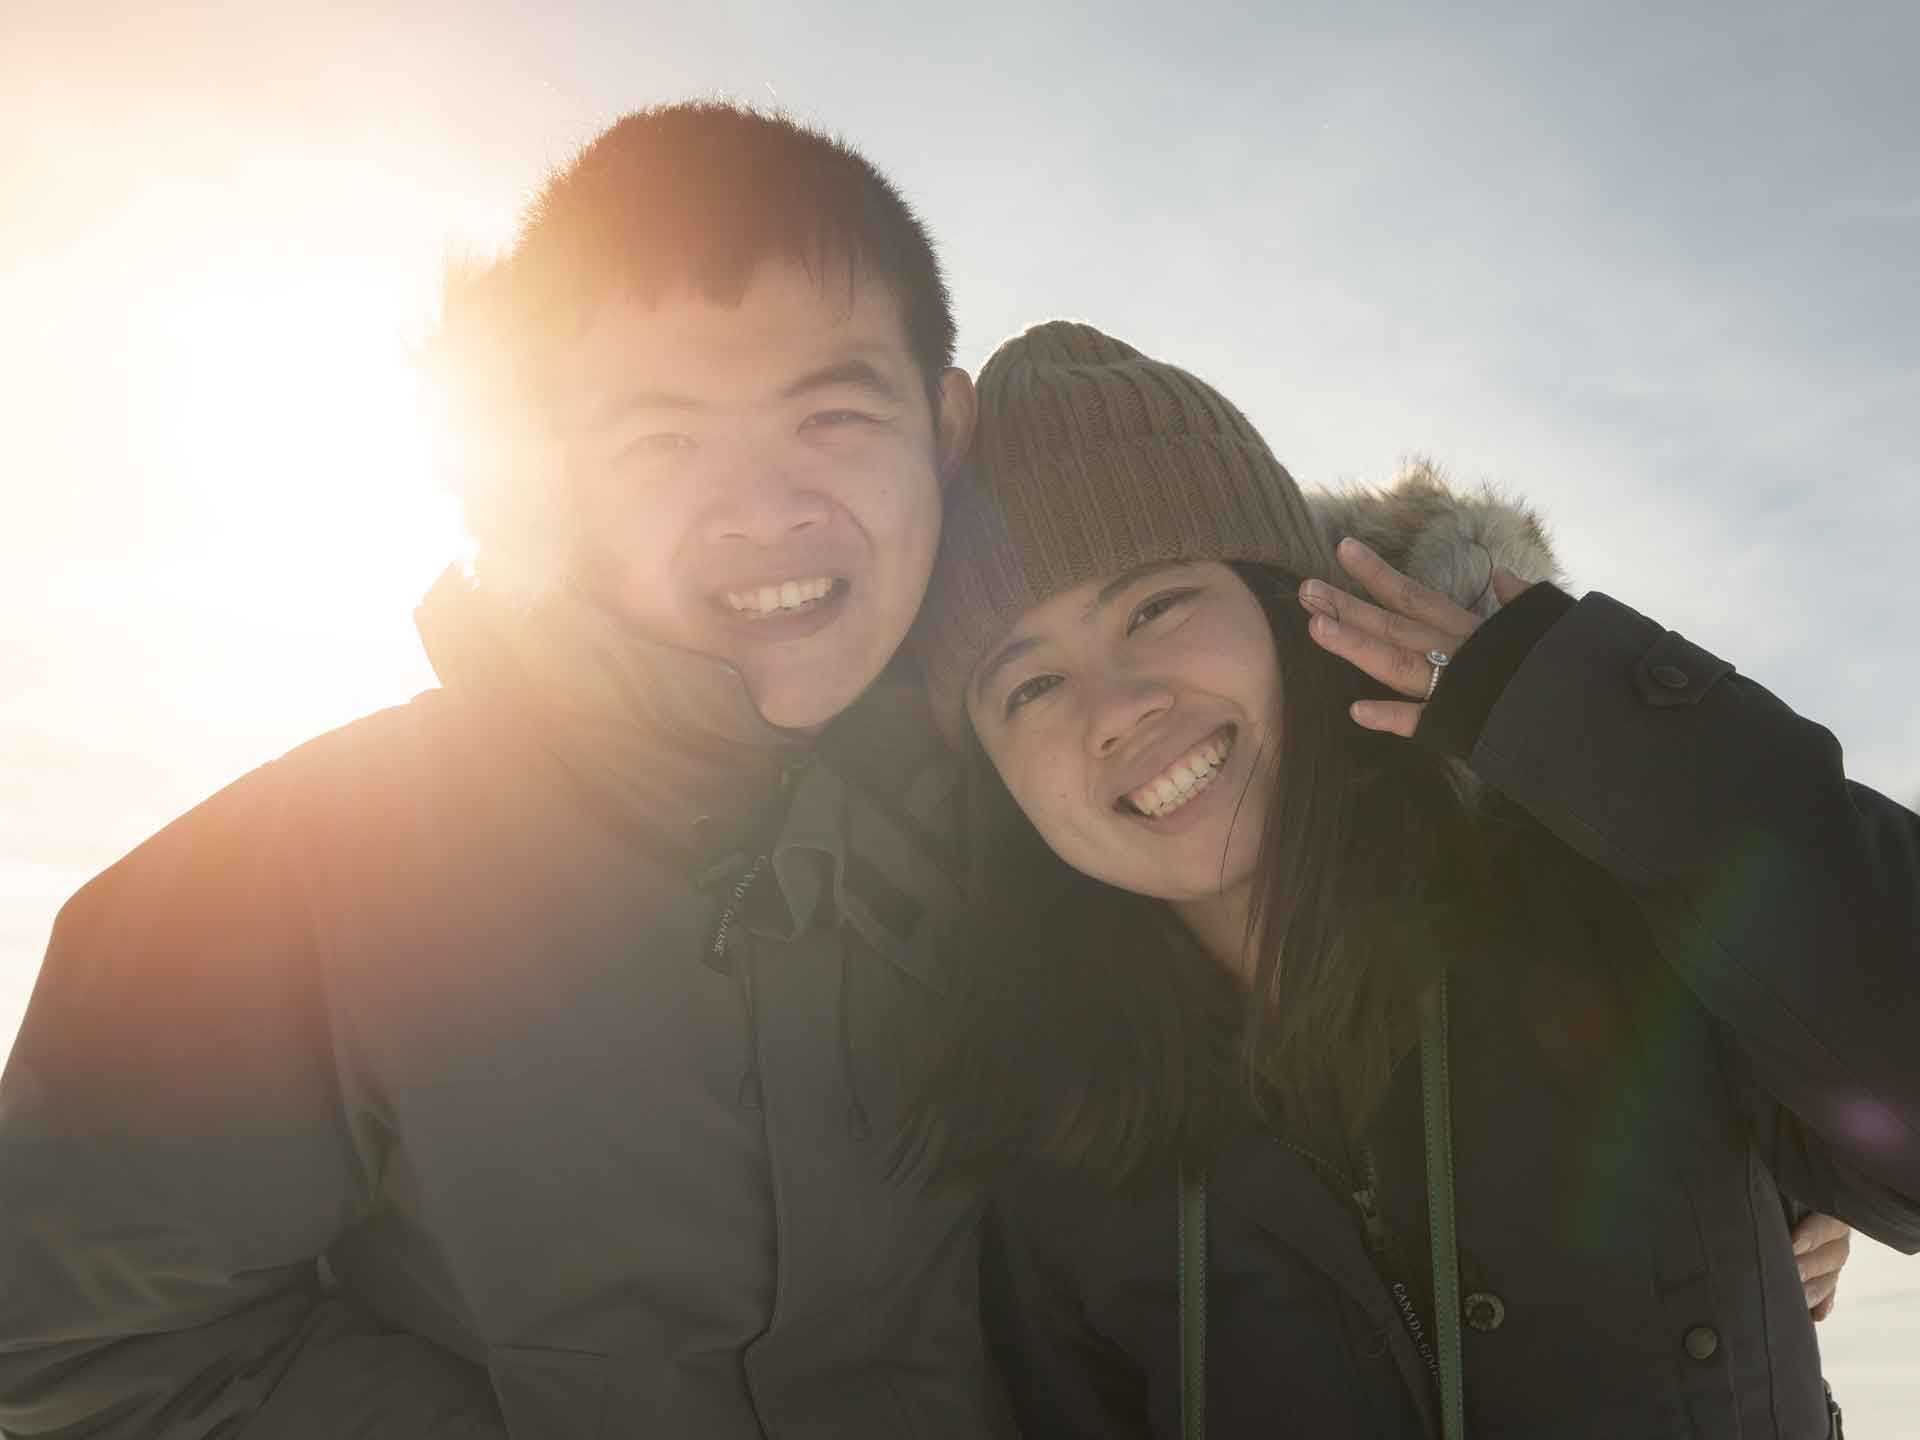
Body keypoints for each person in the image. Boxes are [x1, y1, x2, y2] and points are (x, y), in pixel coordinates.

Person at [0, 103, 1012, 1438]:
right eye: (662, 444)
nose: (766, 509)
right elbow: (70, 1354)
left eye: (833, 414)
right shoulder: (308, 881)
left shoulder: (1046, 806)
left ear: (943, 427)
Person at [910, 321, 1917, 1437]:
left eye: (1155, 606)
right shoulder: (1050, 1156)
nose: (1118, 708)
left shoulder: (1606, 898)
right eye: (1030, 685)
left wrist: (1585, 719)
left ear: (1294, 614)